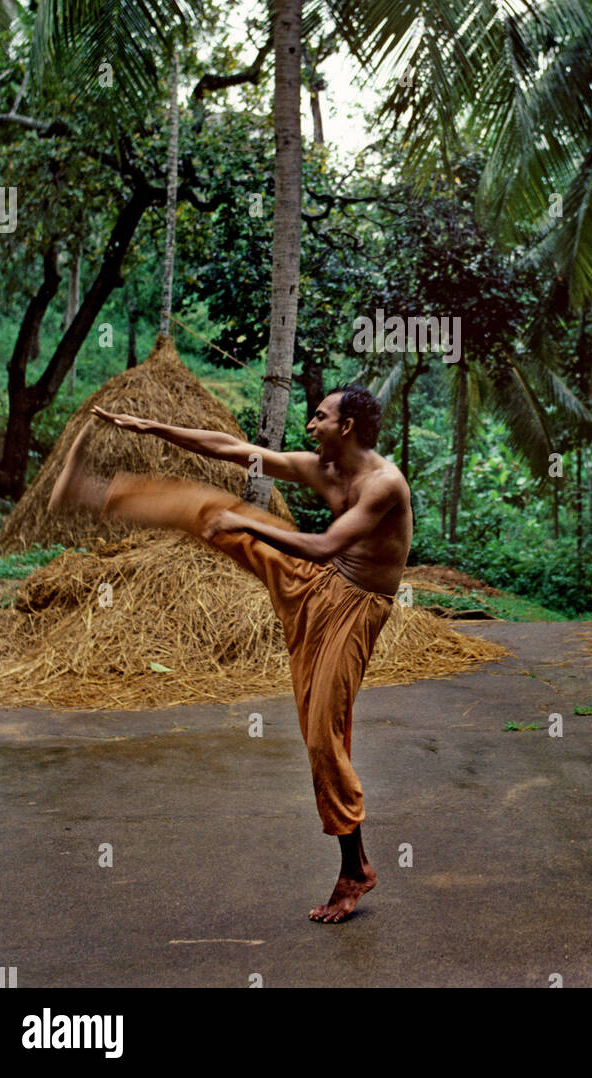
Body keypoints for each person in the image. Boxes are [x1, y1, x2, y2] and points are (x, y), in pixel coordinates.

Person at [48, 383, 413, 923]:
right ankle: (93, 490)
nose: (310, 425)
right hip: (317, 585)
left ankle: (354, 870)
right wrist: (153, 428)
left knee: (321, 736)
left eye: (319, 417)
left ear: (347, 427)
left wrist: (247, 521)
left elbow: (325, 544)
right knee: (211, 507)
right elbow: (231, 449)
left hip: (355, 609)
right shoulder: (324, 468)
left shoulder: (384, 485)